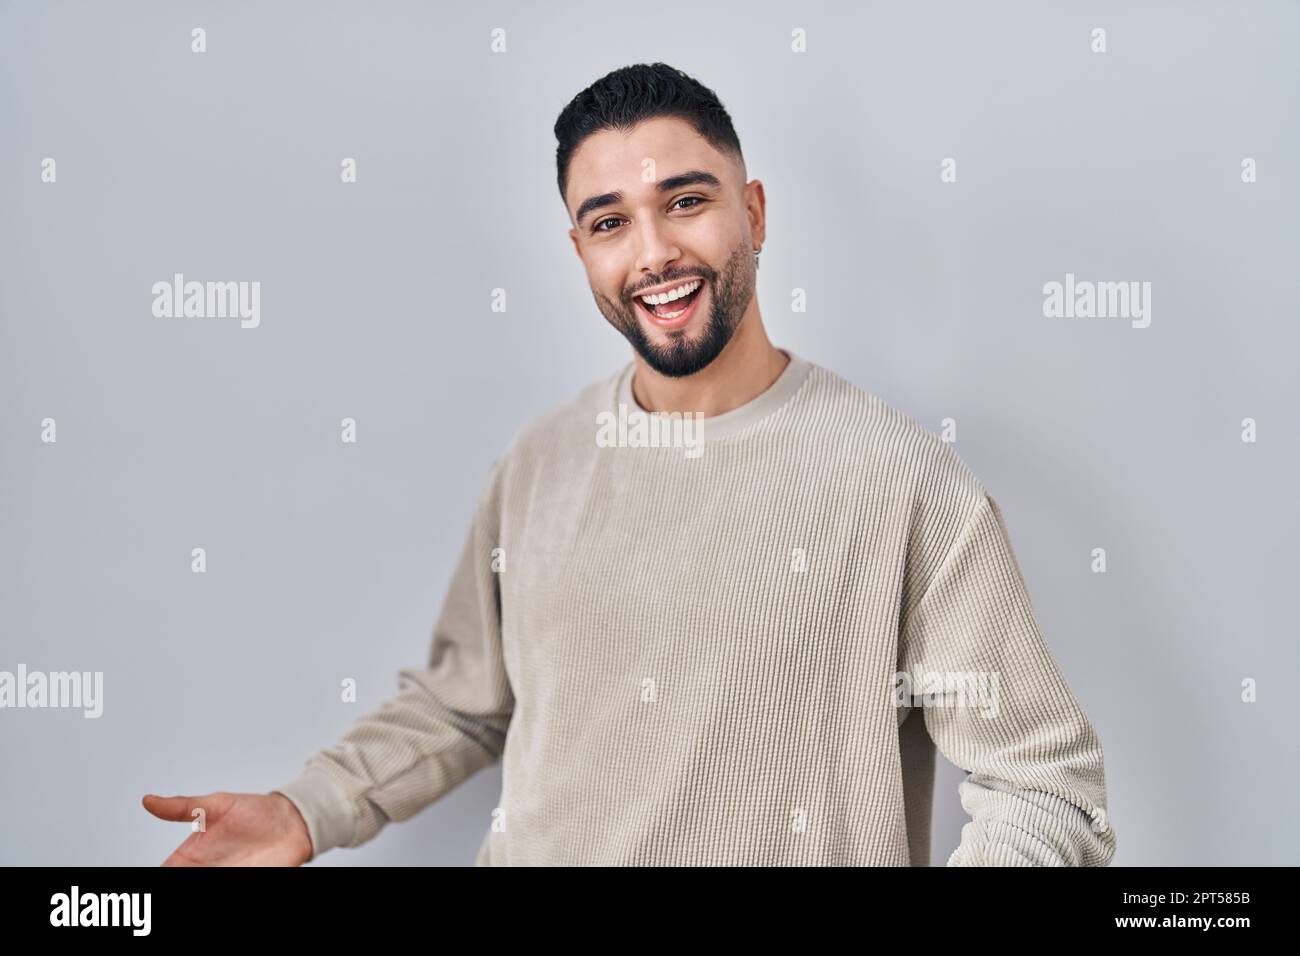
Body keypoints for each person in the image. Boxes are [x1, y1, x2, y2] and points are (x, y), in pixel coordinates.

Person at [144, 62, 1116, 867]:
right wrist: (308, 809)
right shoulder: (540, 462)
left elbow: (1044, 784)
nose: (653, 253)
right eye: (609, 221)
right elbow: (463, 700)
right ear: (579, 250)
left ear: (756, 211)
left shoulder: (901, 481)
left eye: (684, 202)